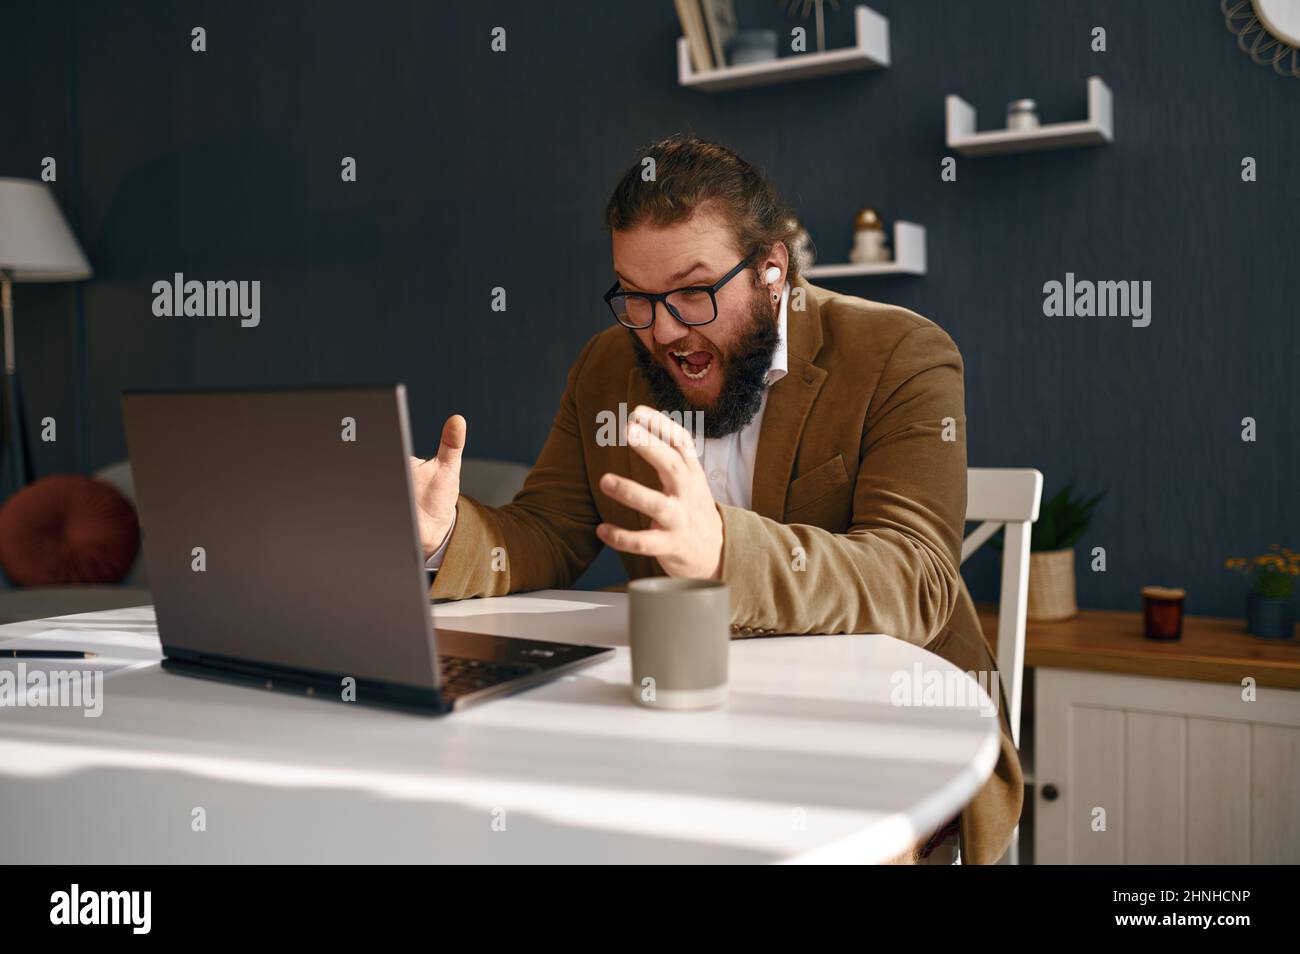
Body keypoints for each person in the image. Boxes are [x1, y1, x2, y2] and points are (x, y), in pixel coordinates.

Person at [411, 134, 1021, 864]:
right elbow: (551, 528)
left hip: (888, 718)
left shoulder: (900, 352)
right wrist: (445, 533)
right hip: (693, 713)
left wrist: (723, 550)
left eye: (694, 292)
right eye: (636, 297)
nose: (664, 328)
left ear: (772, 271)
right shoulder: (609, 365)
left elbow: (916, 574)